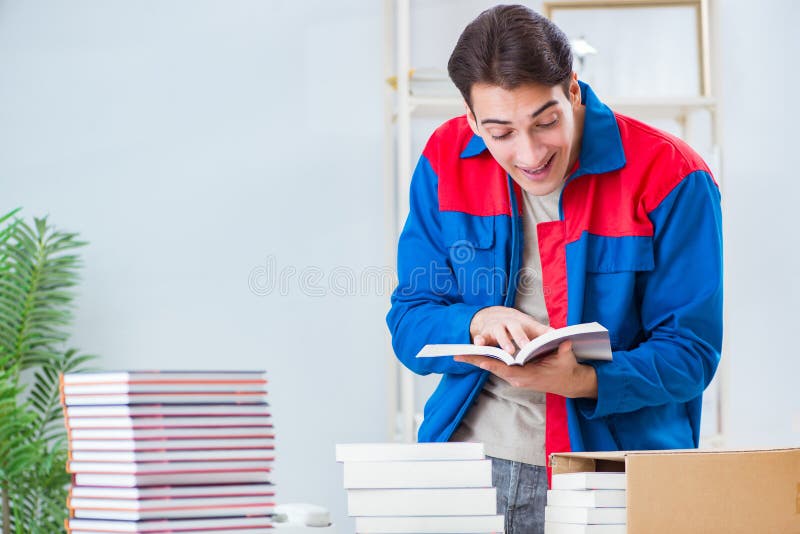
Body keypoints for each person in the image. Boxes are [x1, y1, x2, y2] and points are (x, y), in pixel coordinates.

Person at [386, 4, 723, 533]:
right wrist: (476, 323)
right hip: (469, 470)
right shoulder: (444, 160)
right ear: (471, 121)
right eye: (499, 132)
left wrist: (585, 379)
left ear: (572, 89)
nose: (529, 153)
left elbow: (691, 355)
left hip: (609, 476)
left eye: (545, 122)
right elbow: (409, 319)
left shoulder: (672, 175)